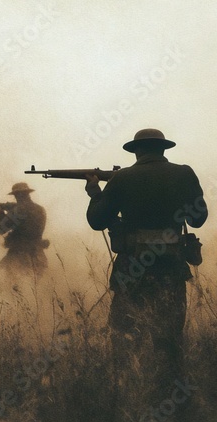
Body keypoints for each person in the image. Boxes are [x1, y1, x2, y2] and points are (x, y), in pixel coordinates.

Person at [85, 128, 207, 384]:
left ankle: (128, 390)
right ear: (163, 149)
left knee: (126, 337)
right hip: (171, 268)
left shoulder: (123, 179)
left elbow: (98, 221)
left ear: (136, 151)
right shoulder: (184, 174)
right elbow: (198, 219)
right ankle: (171, 393)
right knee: (170, 340)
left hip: (132, 269)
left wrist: (96, 192)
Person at [0, 183, 49, 278]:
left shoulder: (19, 210)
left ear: (17, 195)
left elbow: (0, 229)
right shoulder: (40, 209)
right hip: (38, 254)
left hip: (19, 256)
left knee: (12, 288)